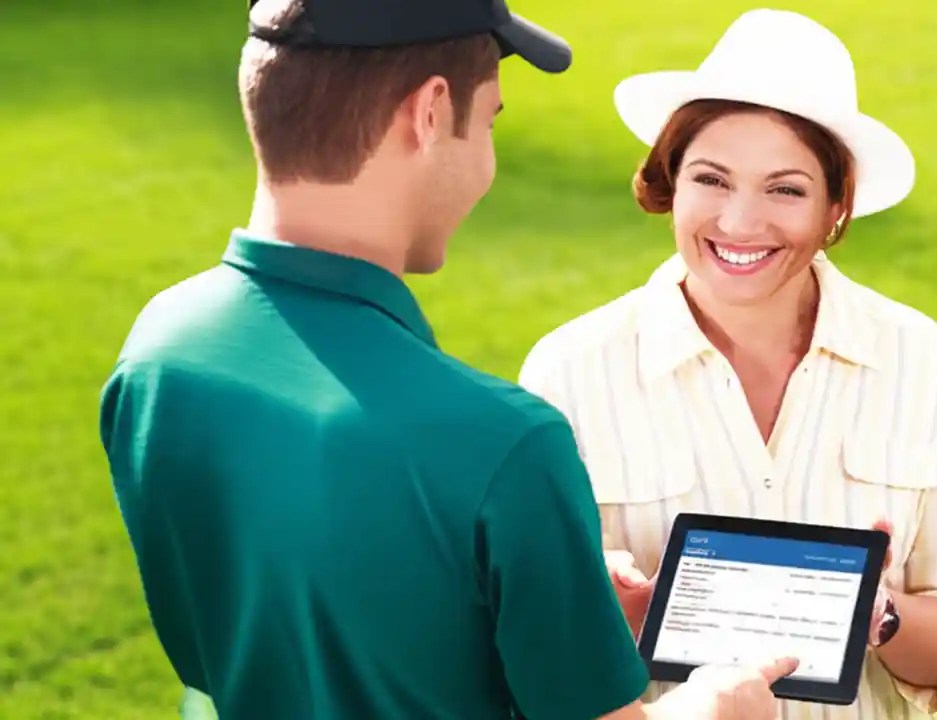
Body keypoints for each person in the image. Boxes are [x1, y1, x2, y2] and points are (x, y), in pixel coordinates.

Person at [98, 1, 796, 718]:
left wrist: (548, 611)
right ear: (430, 112)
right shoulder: (507, 445)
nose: (488, 160)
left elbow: (262, 637)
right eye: (489, 120)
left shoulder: (159, 353)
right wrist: (714, 705)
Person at [518, 9, 937, 719]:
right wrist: (612, 618)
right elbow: (527, 647)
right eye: (711, 180)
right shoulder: (570, 370)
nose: (740, 223)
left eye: (785, 189)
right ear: (670, 182)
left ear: (836, 209)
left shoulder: (922, 361)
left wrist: (882, 616)